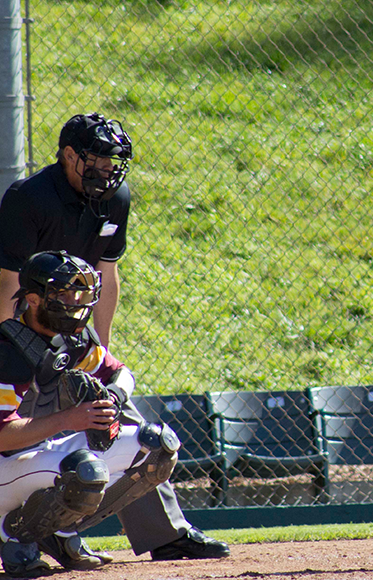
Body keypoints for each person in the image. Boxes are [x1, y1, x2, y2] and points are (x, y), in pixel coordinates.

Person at [0, 113, 230, 562]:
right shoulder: (29, 199)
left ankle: (166, 534)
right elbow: (7, 281)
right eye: (98, 161)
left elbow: (107, 273)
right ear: (69, 156)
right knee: (22, 429)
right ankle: (27, 531)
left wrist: (97, 352)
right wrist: (12, 344)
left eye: (114, 162)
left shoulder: (115, 198)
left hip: (69, 323)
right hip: (25, 323)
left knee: (124, 419)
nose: (108, 170)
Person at [0, 251, 182, 577]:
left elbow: (120, 372)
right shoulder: (8, 353)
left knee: (156, 446)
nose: (75, 301)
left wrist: (115, 395)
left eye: (79, 292)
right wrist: (68, 421)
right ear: (33, 299)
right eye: (63, 294)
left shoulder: (74, 340)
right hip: (4, 468)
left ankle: (57, 529)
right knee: (84, 470)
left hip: (37, 460)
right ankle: (12, 532)